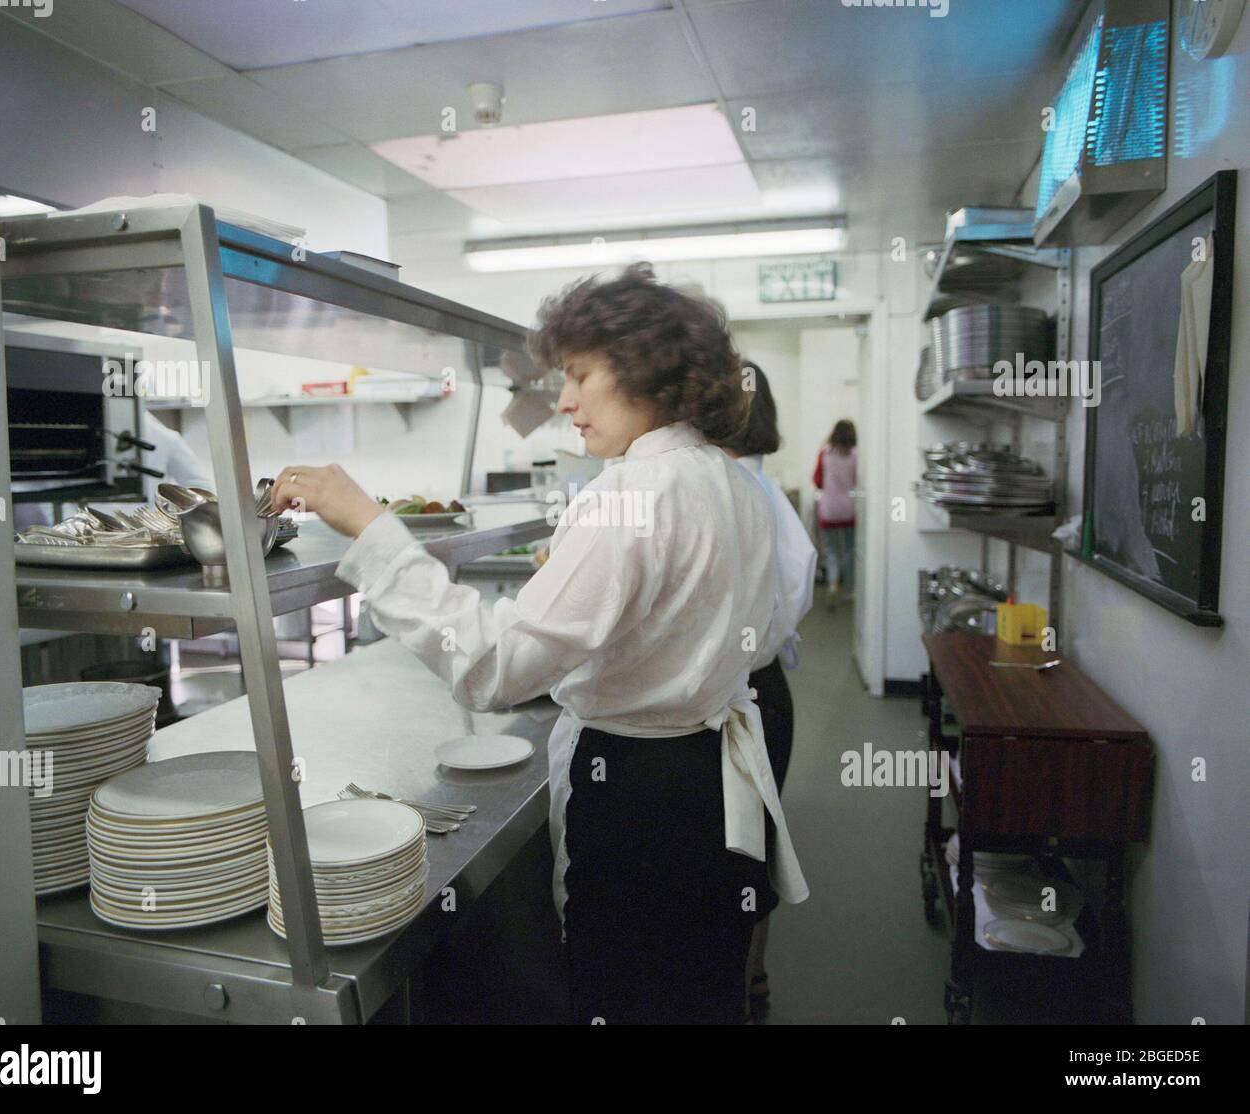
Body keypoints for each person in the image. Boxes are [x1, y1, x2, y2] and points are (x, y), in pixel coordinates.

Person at [272, 264, 808, 1024]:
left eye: (580, 375)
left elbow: (492, 665)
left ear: (647, 369)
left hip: (638, 803)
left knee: (627, 994)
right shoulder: (730, 482)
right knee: (695, 991)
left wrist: (368, 524)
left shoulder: (630, 495)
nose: (562, 402)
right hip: (709, 787)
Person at [716, 363, 817, 1020]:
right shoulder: (763, 492)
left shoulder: (735, 498)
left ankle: (740, 988)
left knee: (739, 854)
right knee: (754, 848)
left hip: (740, 697)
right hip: (767, 693)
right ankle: (753, 981)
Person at [814, 419, 857, 610]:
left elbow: (817, 480)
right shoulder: (855, 455)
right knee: (848, 551)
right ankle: (849, 590)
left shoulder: (826, 452)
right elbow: (857, 481)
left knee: (832, 552)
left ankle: (832, 586)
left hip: (829, 509)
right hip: (848, 509)